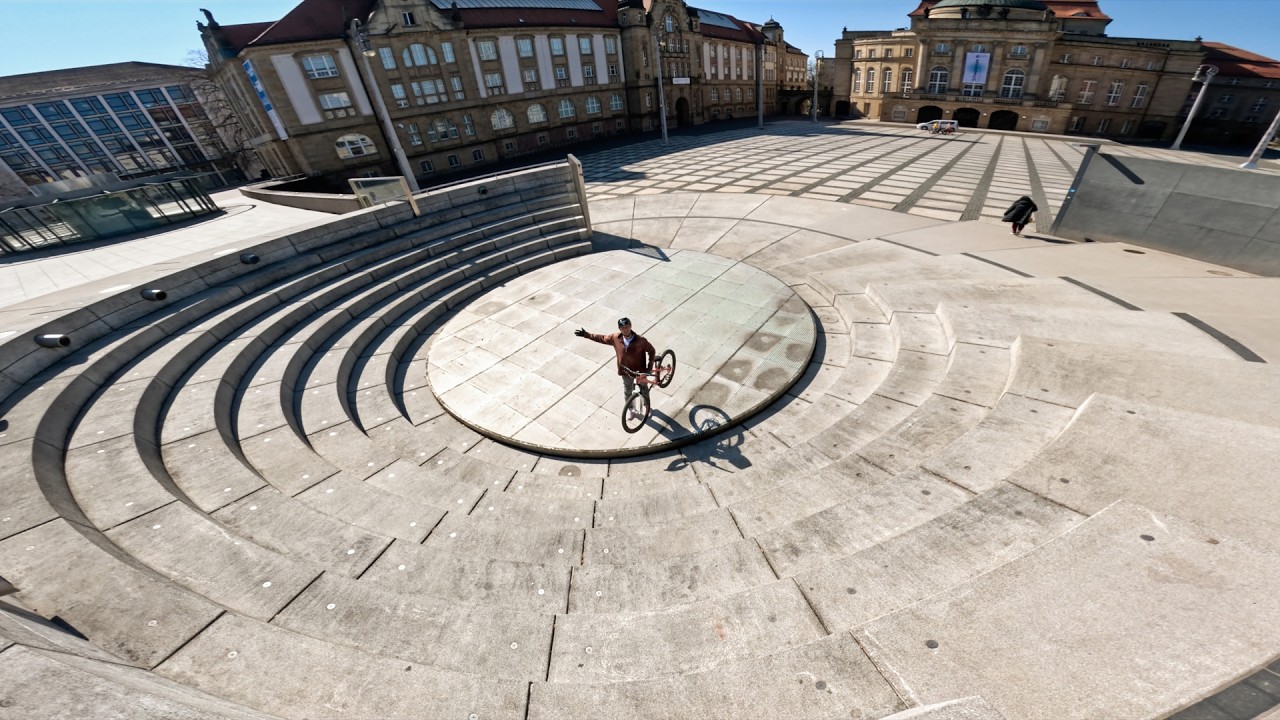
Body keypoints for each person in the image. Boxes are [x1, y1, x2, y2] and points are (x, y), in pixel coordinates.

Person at [574, 318, 657, 400]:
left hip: (640, 371)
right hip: (626, 371)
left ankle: (647, 407)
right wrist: (586, 335)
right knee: (628, 391)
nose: (625, 329)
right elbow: (602, 338)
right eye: (622, 328)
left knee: (644, 389)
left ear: (631, 326)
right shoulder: (615, 338)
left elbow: (652, 351)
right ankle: (630, 408)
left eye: (627, 326)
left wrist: (649, 368)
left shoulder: (640, 340)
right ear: (619, 329)